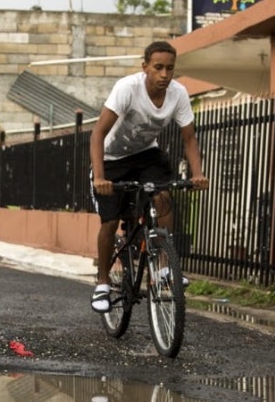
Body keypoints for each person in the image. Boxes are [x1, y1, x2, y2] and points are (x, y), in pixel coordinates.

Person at [89, 41, 208, 313]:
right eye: (158, 68)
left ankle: (164, 267)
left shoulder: (178, 94)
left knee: (163, 196)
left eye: (170, 68)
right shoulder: (127, 88)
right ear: (145, 68)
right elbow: (97, 134)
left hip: (145, 156)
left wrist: (198, 174)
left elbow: (189, 138)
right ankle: (103, 282)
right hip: (111, 159)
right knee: (110, 221)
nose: (165, 74)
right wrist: (99, 177)